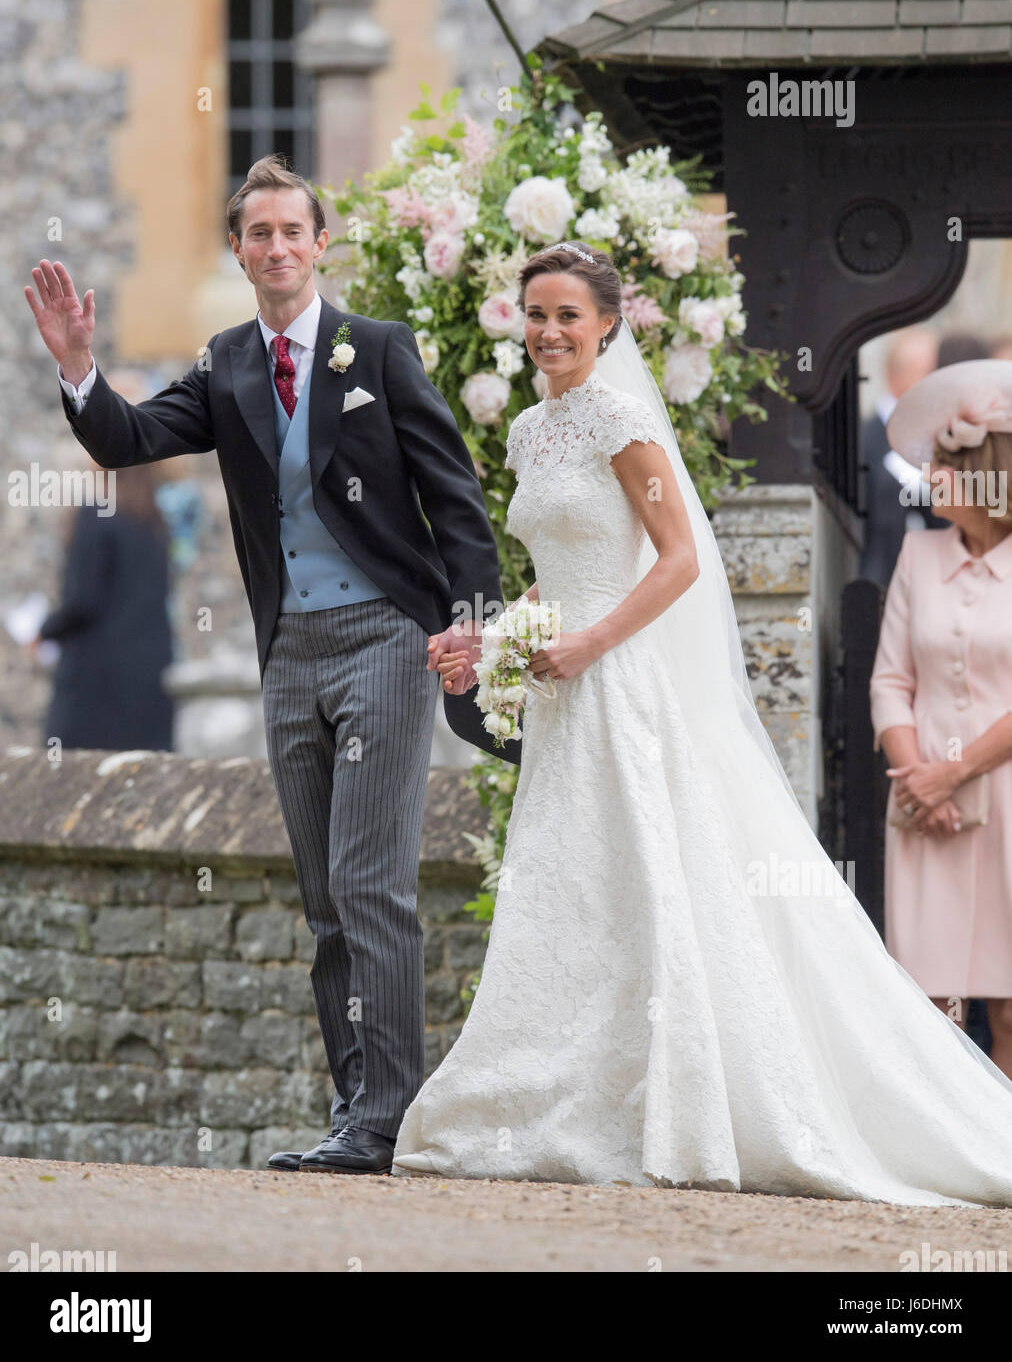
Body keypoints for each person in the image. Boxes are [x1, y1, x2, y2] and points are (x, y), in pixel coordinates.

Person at [394, 241, 1012, 1206]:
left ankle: (691, 1106)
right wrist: (491, 643)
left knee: (658, 881)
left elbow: (679, 559)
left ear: (606, 325)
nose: (551, 332)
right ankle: (576, 1099)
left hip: (625, 682)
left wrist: (592, 643)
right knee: (581, 890)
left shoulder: (621, 418)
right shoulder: (526, 431)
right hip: (566, 690)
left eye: (569, 316)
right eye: (536, 315)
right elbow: (556, 578)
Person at [24, 153, 511, 1176]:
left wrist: (473, 627)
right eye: (259, 234)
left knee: (371, 879)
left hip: (386, 634)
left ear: (320, 244)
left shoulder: (377, 351)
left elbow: (455, 501)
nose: (278, 247)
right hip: (289, 651)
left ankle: (386, 1118)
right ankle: (355, 1113)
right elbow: (129, 437)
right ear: (239, 251)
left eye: (294, 231)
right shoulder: (227, 363)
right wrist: (79, 368)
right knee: (324, 892)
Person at [870, 360, 1012, 1079]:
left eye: (948, 466)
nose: (932, 479)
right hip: (923, 808)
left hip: (1005, 804)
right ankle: (948, 1159)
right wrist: (917, 777)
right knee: (936, 1002)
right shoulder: (917, 555)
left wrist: (953, 773)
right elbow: (890, 679)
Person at [33, 460, 174, 751]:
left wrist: (43, 631)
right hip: (148, 679)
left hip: (96, 682)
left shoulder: (95, 515)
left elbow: (82, 601)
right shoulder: (154, 522)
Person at [859, 326, 942, 588]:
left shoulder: (945, 437)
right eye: (927, 371)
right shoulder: (865, 440)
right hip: (881, 586)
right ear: (895, 375)